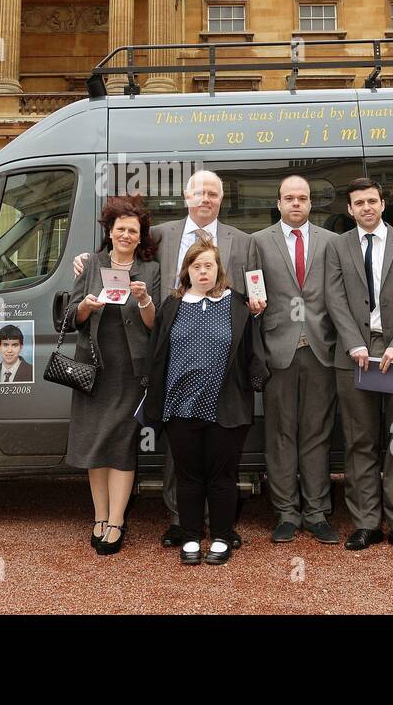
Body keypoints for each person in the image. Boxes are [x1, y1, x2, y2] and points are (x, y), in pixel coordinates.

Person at [75, 169, 255, 549]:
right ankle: (181, 521)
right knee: (180, 450)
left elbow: (254, 285)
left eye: (213, 193)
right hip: (171, 354)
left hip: (222, 358)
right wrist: (85, 259)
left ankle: (220, 526)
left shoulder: (243, 240)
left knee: (219, 452)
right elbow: (120, 251)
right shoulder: (160, 235)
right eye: (198, 192)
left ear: (222, 199)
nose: (205, 199)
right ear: (186, 197)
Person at [144, 240, 268, 566]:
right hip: (180, 406)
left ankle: (222, 536)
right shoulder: (171, 306)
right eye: (196, 266)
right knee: (188, 477)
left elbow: (253, 351)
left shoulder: (238, 305)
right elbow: (157, 355)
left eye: (208, 266)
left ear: (218, 270)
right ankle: (190, 537)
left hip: (226, 406)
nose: (202, 271)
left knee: (222, 476)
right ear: (187, 270)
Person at [325, 178, 393, 555]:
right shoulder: (337, 247)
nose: (366, 207)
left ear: (383, 204)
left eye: (372, 200)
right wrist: (353, 342)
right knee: (359, 441)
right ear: (350, 210)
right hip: (353, 356)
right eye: (359, 203)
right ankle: (366, 523)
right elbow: (333, 297)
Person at [63, 195, 159, 556]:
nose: (127, 235)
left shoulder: (150, 270)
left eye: (133, 230)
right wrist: (86, 306)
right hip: (94, 369)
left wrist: (146, 300)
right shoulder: (91, 264)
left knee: (120, 447)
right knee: (95, 445)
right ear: (111, 231)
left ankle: (117, 521)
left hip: (132, 374)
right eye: (121, 229)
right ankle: (99, 517)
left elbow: (156, 326)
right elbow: (68, 318)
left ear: (140, 235)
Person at [248, 175, 339, 545]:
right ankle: (286, 513)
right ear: (279, 202)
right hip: (278, 350)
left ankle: (317, 513)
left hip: (322, 349)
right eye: (289, 198)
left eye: (302, 198)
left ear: (311, 203)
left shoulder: (332, 242)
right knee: (281, 435)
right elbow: (254, 289)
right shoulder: (259, 242)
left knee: (317, 435)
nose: (296, 204)